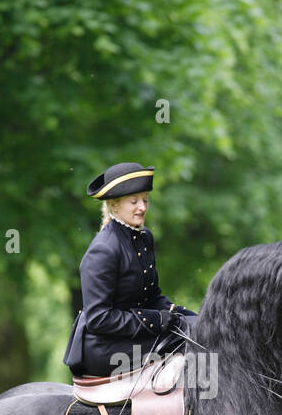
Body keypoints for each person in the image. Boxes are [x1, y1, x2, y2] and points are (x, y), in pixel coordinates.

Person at [62, 161, 197, 377]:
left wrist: (183, 316)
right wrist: (155, 320)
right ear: (114, 206)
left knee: (199, 332)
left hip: (131, 338)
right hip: (103, 348)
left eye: (145, 200)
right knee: (189, 348)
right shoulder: (104, 250)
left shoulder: (144, 238)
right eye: (134, 201)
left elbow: (152, 296)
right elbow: (99, 319)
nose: (142, 207)